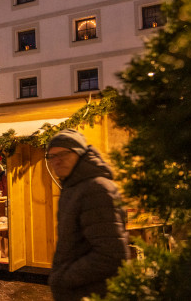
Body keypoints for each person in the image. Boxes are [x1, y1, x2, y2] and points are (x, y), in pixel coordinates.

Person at [46, 129, 128, 301]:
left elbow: (111, 255)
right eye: (52, 156)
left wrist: (63, 278)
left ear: (80, 154)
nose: (56, 161)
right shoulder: (73, 188)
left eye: (63, 154)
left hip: (93, 293)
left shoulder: (96, 188)